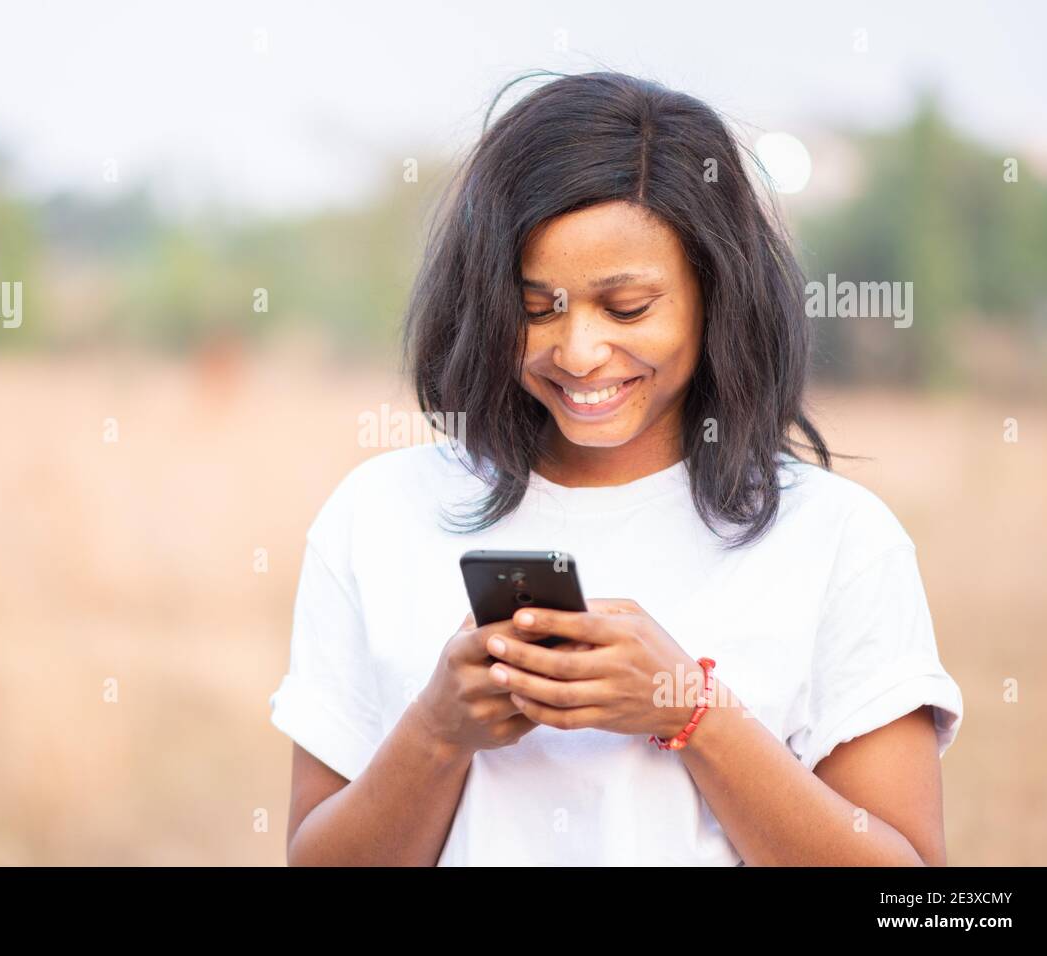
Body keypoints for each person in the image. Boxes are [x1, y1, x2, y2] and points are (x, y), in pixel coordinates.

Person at [268, 71, 963, 866]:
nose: (580, 351)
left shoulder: (839, 539)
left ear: (716, 293)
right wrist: (436, 731)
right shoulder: (378, 516)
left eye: (628, 308)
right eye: (535, 309)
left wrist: (688, 708)